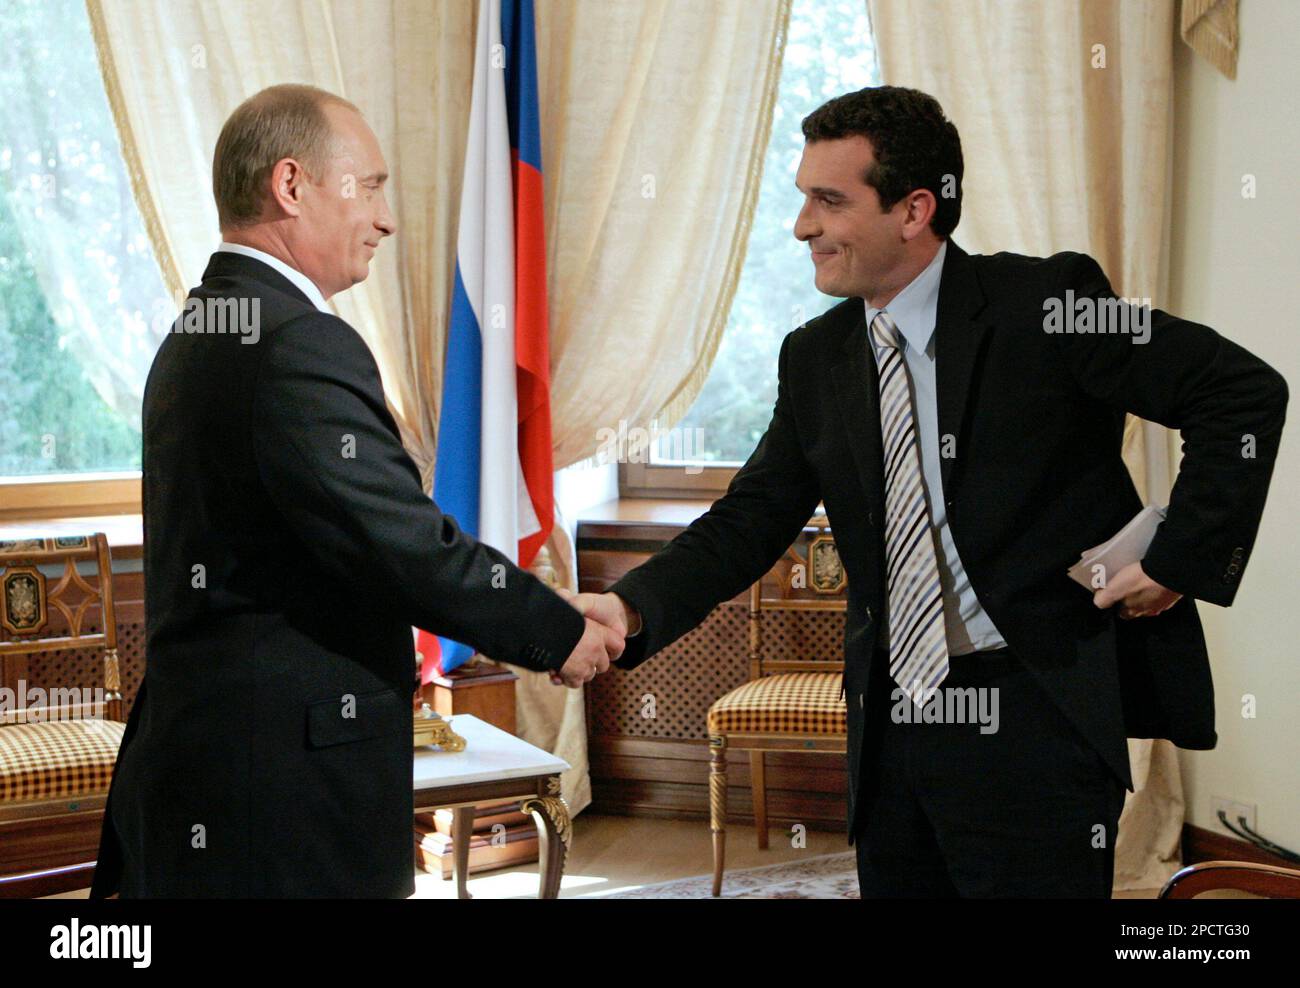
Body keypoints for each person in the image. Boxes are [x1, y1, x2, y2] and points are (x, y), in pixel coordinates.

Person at [570, 85, 1288, 897]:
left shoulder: (1047, 307)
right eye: (803, 197)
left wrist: (1178, 556)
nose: (802, 225)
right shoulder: (816, 357)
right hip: (892, 729)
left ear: (914, 211)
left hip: (1035, 721)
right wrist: (630, 607)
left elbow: (1240, 392)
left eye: (827, 201)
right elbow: (750, 517)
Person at [90, 84, 622, 899]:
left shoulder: (202, 326)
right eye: (369, 187)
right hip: (283, 791)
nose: (386, 218)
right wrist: (553, 627)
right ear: (292, 185)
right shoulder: (299, 341)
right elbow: (398, 541)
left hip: (209, 762)